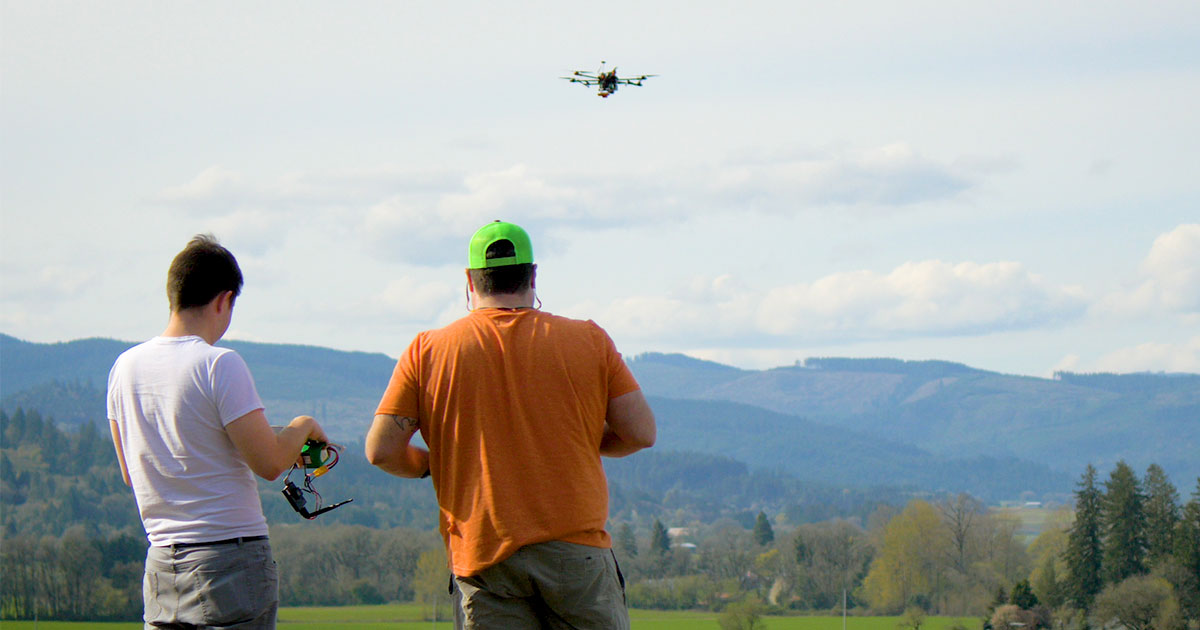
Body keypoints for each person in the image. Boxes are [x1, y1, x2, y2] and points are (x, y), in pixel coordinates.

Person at [366, 220, 656, 629]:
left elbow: (381, 451)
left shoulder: (427, 352)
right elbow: (640, 433)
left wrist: (433, 464)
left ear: (470, 280)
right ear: (533, 275)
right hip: (576, 550)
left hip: (483, 554)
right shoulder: (588, 340)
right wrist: (581, 439)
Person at [108, 234, 328, 630]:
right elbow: (271, 463)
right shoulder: (218, 364)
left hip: (161, 563)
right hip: (228, 563)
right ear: (224, 300)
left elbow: (131, 471)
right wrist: (303, 425)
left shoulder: (123, 368)